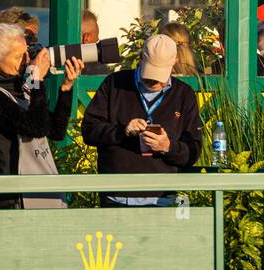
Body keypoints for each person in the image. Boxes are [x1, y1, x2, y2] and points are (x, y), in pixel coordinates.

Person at [0, 20, 83, 209]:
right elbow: (35, 126)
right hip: (10, 200)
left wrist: (66, 87)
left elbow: (56, 131)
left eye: (28, 53)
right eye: (20, 56)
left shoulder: (20, 88)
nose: (27, 61)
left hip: (37, 192)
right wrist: (36, 80)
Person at [81, 34, 201, 208]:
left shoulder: (184, 95)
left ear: (174, 62)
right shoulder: (114, 84)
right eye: (150, 72)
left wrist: (168, 147)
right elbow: (89, 131)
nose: (153, 81)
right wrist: (123, 131)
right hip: (116, 196)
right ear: (140, 59)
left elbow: (193, 150)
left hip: (164, 198)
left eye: (159, 75)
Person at [81, 8, 110, 76]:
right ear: (86, 39)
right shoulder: (97, 69)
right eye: (96, 41)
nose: (97, 45)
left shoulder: (57, 58)